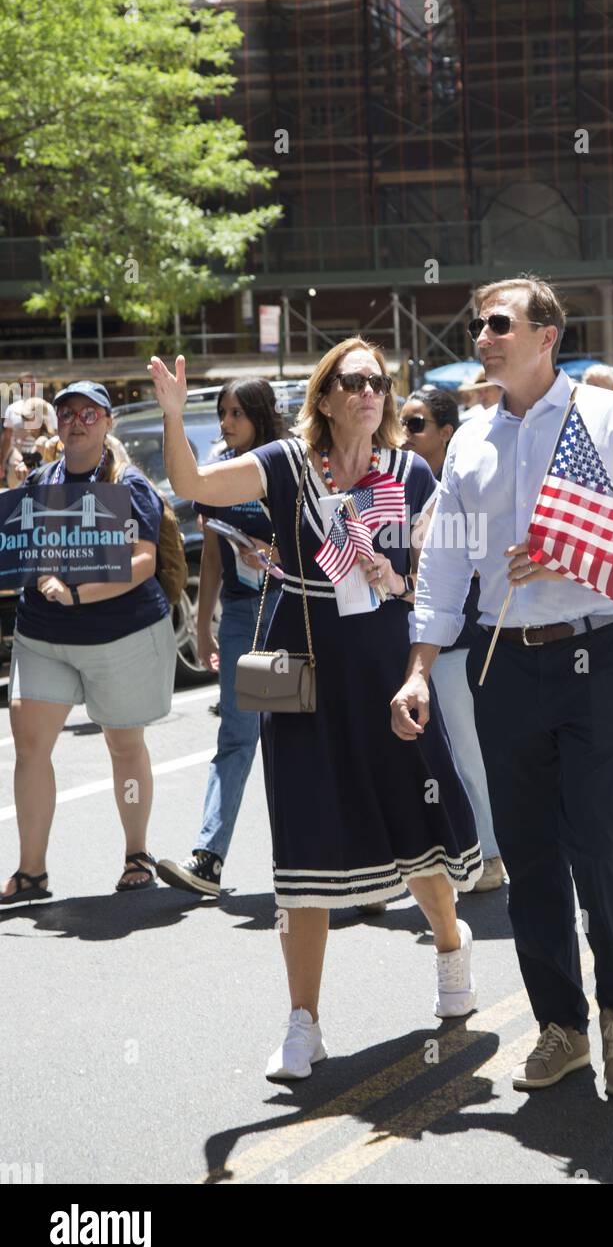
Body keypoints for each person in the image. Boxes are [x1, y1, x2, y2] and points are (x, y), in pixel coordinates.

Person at [149, 341, 482, 1082]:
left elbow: (439, 571)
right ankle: (304, 1023)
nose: (368, 392)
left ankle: (451, 945)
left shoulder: (410, 471)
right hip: (306, 669)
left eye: (378, 382)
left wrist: (399, 579)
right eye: (351, 381)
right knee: (300, 842)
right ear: (324, 397)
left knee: (415, 821)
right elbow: (192, 481)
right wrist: (174, 417)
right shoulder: (282, 464)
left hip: (389, 668)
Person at [391, 277, 613, 1097]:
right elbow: (445, 562)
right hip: (502, 661)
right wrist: (419, 668)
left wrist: (571, 550)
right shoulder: (472, 440)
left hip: (600, 649)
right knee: (527, 852)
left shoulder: (610, 417)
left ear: (546, 335)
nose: (482, 337)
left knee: (597, 845)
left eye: (498, 324)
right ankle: (561, 1026)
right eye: (478, 326)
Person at [0, 381, 176, 910]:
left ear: (107, 422)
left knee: (124, 747)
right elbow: (21, 551)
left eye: (90, 413)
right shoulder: (38, 483)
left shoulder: (130, 485)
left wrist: (78, 592)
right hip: (43, 636)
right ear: (56, 423)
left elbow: (142, 561)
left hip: (118, 635)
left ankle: (136, 854)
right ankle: (31, 872)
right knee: (29, 748)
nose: (78, 421)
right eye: (67, 412)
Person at [157, 379, 283, 896]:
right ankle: (208, 857)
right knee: (236, 736)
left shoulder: (285, 465)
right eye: (222, 412)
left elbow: (322, 548)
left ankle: (327, 859)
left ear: (260, 416)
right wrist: (203, 624)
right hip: (238, 616)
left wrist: (271, 554)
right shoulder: (216, 470)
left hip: (285, 612)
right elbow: (210, 556)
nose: (227, 423)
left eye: (236, 413)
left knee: (292, 737)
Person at [399, 387, 505, 892]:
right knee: (431, 755)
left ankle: (492, 853)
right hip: (411, 638)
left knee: (467, 749)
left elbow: (483, 567)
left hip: (460, 638)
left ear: (447, 432)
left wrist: (427, 554)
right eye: (402, 425)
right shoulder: (402, 485)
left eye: (416, 424)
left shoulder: (466, 486)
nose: (405, 436)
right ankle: (450, 849)